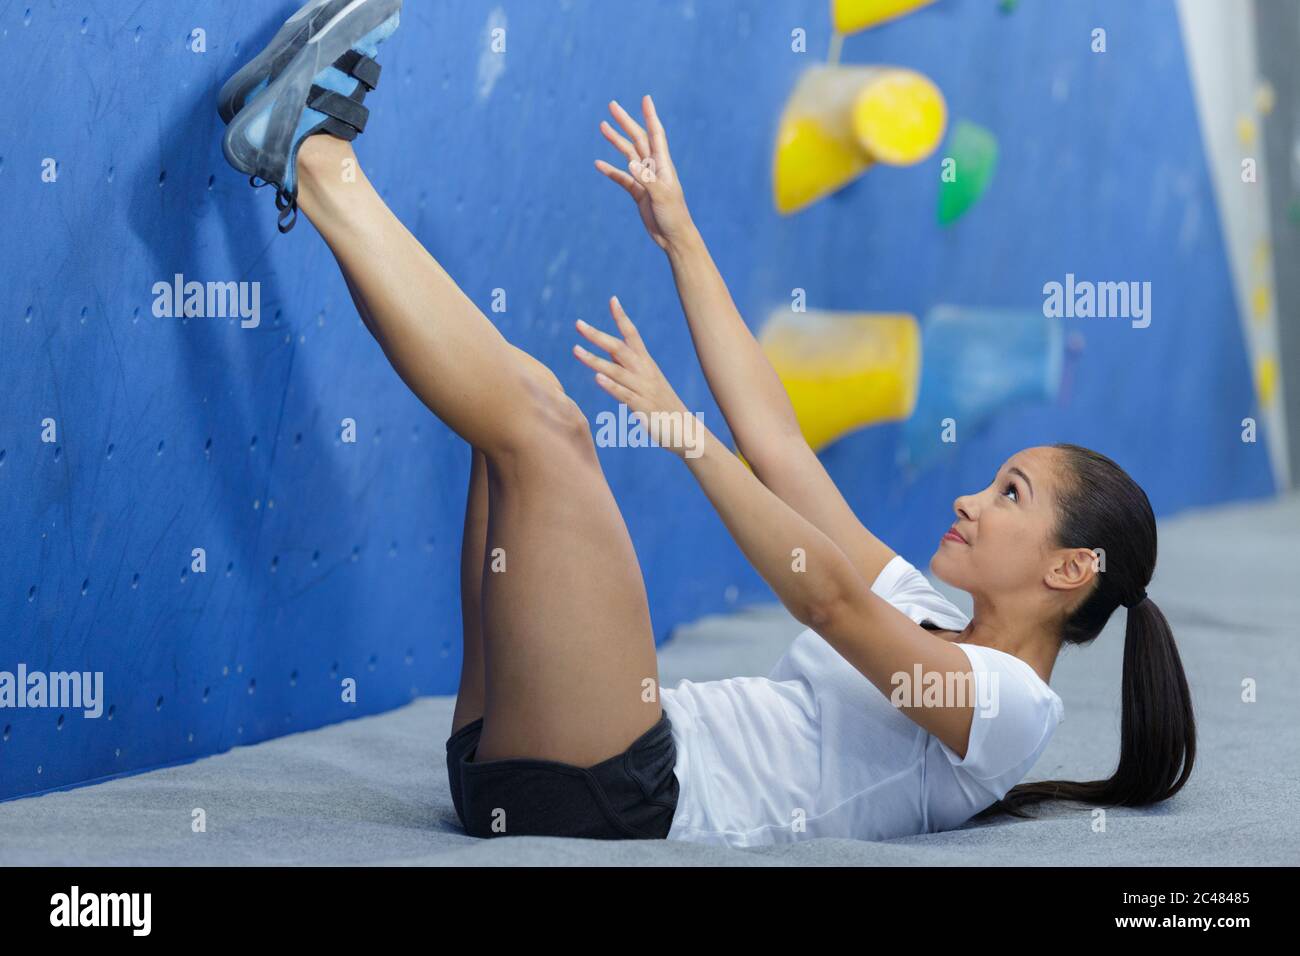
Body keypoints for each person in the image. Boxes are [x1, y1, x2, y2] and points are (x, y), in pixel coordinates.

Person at [218, 0, 1195, 846]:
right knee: (511, 404)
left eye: (1009, 493)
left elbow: (828, 605)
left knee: (544, 427)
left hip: (615, 790)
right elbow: (775, 442)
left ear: (1071, 568)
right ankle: (307, 145)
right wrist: (680, 235)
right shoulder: (928, 607)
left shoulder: (1011, 708)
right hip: (545, 752)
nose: (970, 497)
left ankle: (309, 151)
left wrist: (680, 429)